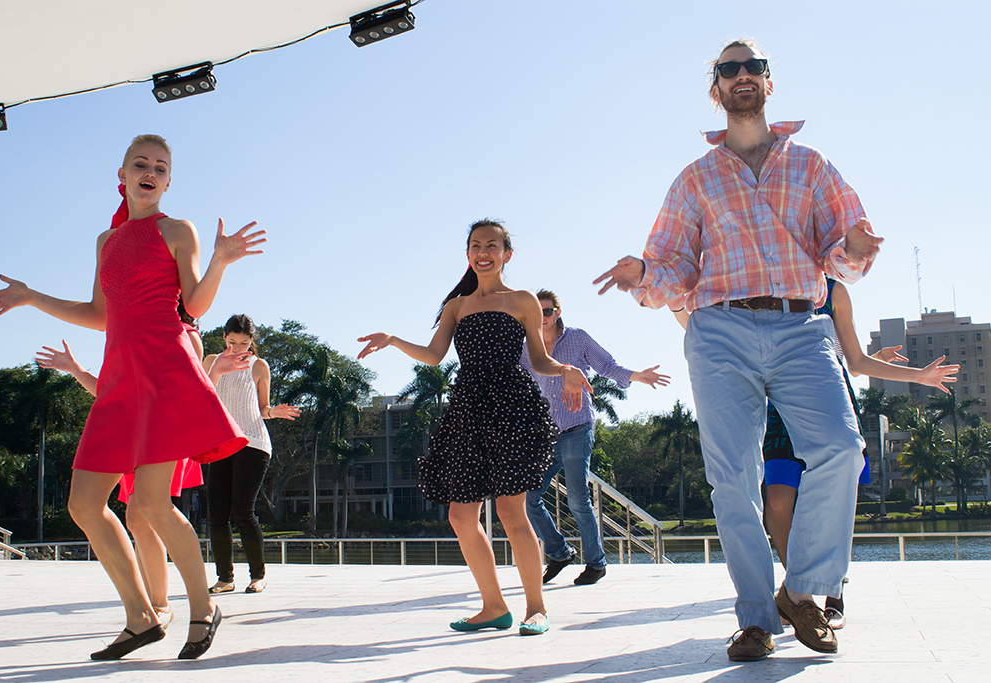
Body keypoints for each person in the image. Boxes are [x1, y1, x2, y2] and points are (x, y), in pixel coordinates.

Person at [595, 39, 883, 661]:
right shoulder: (695, 178)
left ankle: (800, 593)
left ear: (769, 83)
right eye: (730, 69)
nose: (743, 75)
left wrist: (856, 250)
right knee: (733, 479)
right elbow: (673, 267)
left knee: (841, 448)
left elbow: (841, 251)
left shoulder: (812, 165)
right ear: (716, 89)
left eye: (754, 66)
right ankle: (755, 619)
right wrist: (643, 273)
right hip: (720, 329)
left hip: (802, 326)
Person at [0, 134, 265, 660]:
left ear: (169, 181)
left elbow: (195, 304)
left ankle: (204, 608)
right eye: (141, 164)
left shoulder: (177, 230)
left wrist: (220, 261)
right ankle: (142, 617)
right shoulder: (106, 242)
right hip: (119, 378)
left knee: (152, 503)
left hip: (164, 372)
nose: (150, 172)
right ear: (123, 174)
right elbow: (100, 315)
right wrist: (31, 296)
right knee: (84, 503)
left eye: (160, 167)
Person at [358, 219, 592, 636]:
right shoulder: (457, 306)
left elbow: (539, 360)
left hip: (511, 408)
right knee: (460, 515)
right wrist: (393, 340)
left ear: (506, 254)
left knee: (510, 512)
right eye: (475, 246)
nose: (483, 252)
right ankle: (493, 607)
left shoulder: (522, 300)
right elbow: (434, 354)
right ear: (468, 254)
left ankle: (536, 608)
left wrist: (565, 369)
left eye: (491, 245)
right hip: (467, 411)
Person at [759, 278, 958, 627]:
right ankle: (799, 593)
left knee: (836, 497)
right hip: (779, 409)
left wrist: (919, 376)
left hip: (828, 400)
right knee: (776, 501)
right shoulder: (767, 283)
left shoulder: (832, 291)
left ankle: (833, 593)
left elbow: (855, 362)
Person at [35, 336, 248, 627]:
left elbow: (190, 390)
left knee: (141, 513)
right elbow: (110, 394)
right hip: (133, 432)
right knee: (136, 520)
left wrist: (216, 372)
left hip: (164, 431)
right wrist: (75, 369)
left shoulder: (183, 333)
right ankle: (155, 605)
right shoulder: (128, 333)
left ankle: (165, 605)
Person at [521, 289, 670, 586]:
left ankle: (596, 563)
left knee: (578, 500)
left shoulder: (577, 338)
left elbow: (607, 366)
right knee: (530, 498)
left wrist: (637, 376)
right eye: (537, 313)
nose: (543, 317)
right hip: (546, 433)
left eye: (547, 311)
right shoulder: (528, 347)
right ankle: (559, 552)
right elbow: (519, 382)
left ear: (558, 313)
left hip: (577, 427)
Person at [202, 314, 301, 595]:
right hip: (221, 443)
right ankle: (225, 578)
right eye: (232, 342)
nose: (237, 348)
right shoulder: (211, 362)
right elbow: (202, 396)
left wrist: (274, 412)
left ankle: (258, 576)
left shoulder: (259, 366)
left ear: (252, 341)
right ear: (224, 337)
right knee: (216, 514)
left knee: (243, 511)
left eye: (244, 343)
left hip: (253, 443)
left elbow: (262, 409)